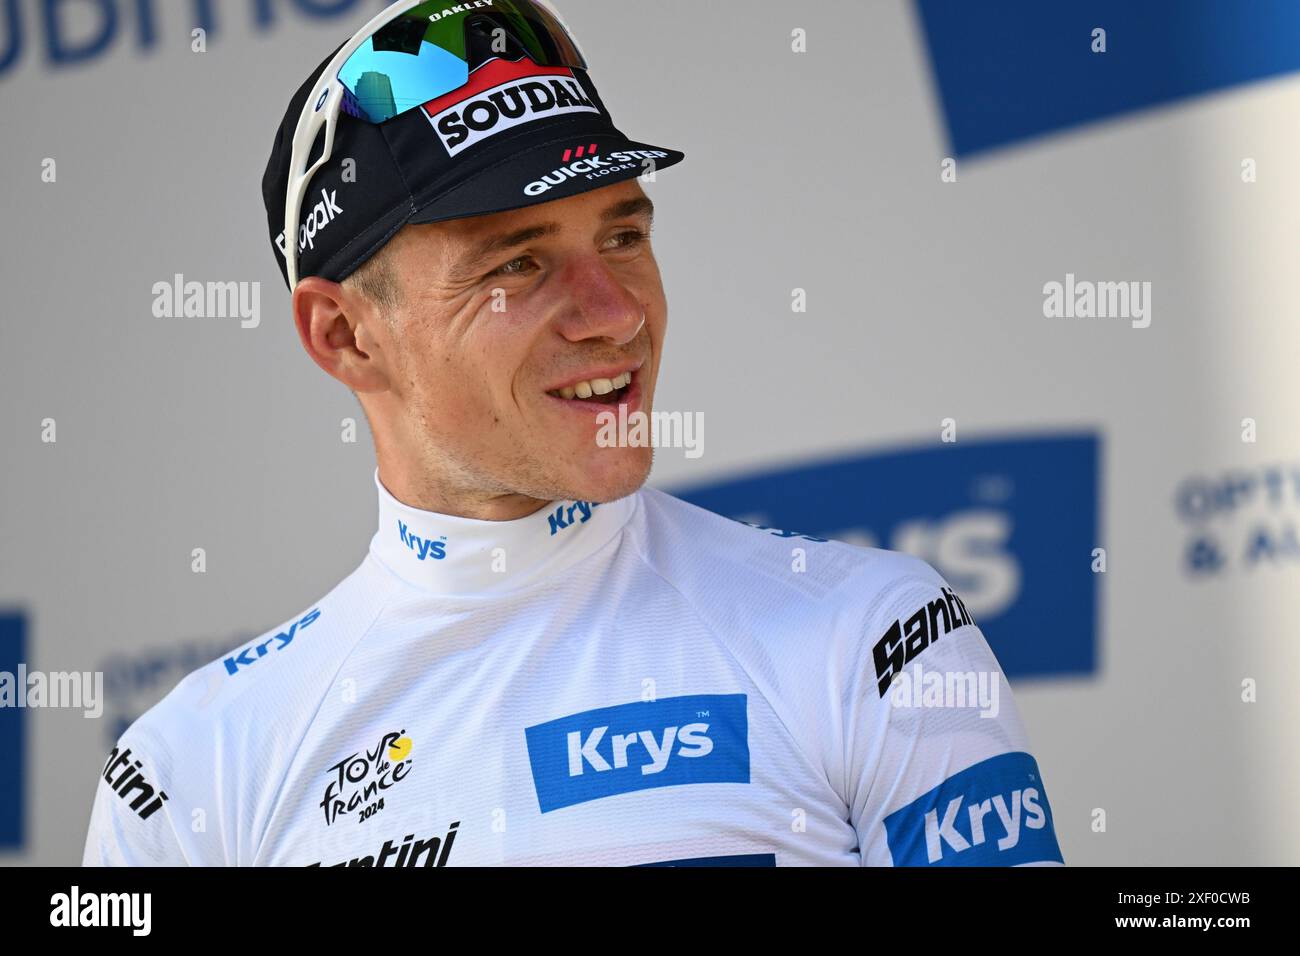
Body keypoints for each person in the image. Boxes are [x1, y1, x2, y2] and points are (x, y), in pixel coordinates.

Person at [83, 0, 1063, 867]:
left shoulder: (872, 638)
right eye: (517, 263)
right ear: (345, 335)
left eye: (623, 237)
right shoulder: (189, 775)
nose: (615, 312)